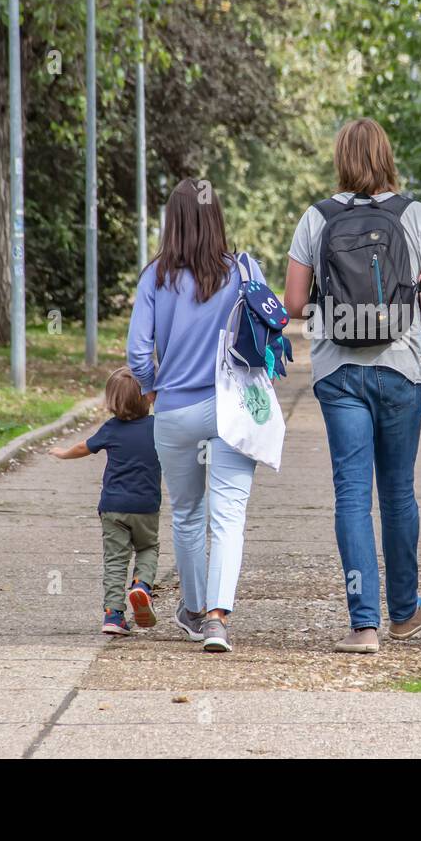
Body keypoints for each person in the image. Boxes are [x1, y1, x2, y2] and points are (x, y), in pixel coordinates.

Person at [283, 117, 421, 654]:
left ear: (341, 158)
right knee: (399, 493)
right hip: (400, 370)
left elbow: (293, 304)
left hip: (338, 372)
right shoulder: (416, 216)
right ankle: (404, 611)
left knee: (352, 497)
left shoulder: (316, 218)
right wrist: (405, 301)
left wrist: (336, 307)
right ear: (387, 156)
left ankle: (364, 626)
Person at [127, 178, 266, 653]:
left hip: (175, 411)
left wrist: (150, 388)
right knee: (228, 514)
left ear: (174, 222)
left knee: (187, 513)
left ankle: (192, 608)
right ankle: (216, 619)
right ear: (216, 218)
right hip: (232, 409)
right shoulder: (244, 272)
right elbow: (268, 338)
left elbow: (138, 353)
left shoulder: (154, 278)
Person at [50, 368, 161, 636]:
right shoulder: (158, 427)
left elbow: (83, 447)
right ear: (149, 397)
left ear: (111, 401)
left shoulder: (110, 429)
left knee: (115, 560)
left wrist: (63, 453)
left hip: (112, 508)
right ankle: (141, 585)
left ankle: (113, 615)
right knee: (148, 547)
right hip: (146, 506)